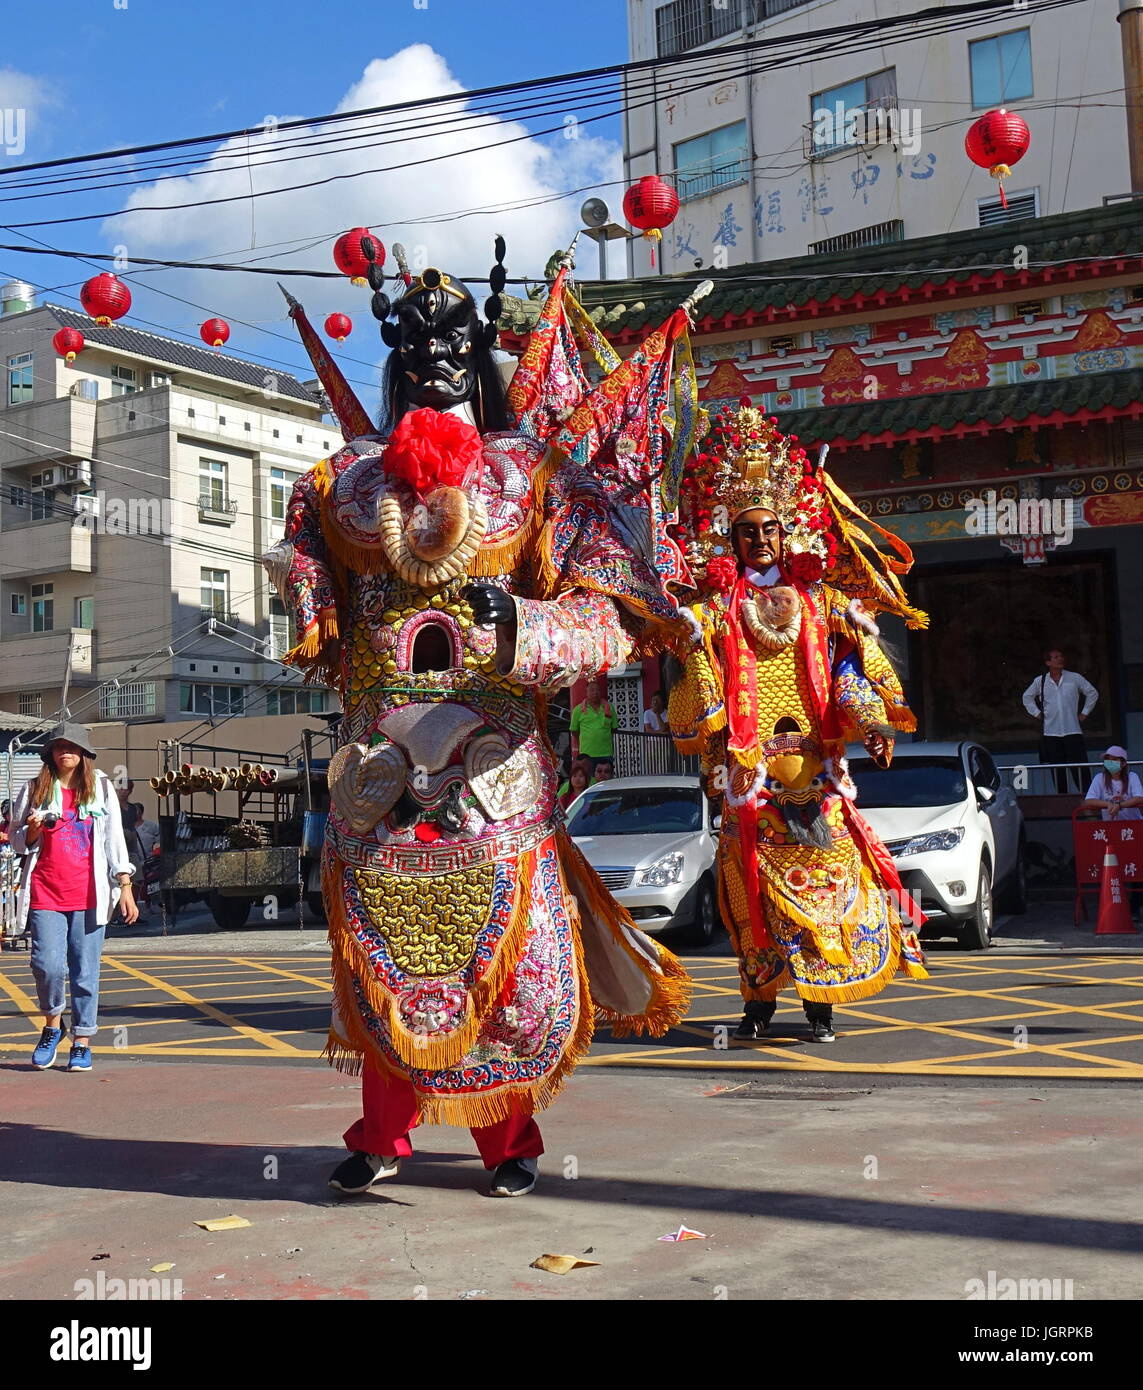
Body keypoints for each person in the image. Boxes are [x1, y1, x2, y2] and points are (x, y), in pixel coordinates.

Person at [267, 253, 691, 1199]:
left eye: (455, 340)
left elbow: (604, 621)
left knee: (504, 968)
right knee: (383, 965)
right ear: (393, 357)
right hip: (379, 779)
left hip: (494, 772)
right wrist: (305, 596)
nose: (434, 356)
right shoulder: (339, 481)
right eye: (413, 342)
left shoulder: (534, 476)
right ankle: (382, 1135)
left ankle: (510, 1142)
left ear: (485, 352)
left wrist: (522, 628)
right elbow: (307, 577)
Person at [668, 403, 929, 1044]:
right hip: (750, 775)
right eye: (748, 531)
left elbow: (849, 672)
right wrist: (680, 634)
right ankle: (758, 1005)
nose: (760, 540)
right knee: (750, 895)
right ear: (730, 541)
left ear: (788, 535)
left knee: (828, 884)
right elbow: (690, 669)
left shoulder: (820, 601)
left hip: (815, 771)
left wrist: (870, 723)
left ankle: (820, 1005)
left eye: (770, 529)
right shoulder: (713, 611)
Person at [9, 723, 138, 1073]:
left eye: (73, 746)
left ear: (83, 753)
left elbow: (114, 840)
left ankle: (82, 1041)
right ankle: (53, 1025)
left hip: (90, 894)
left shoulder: (100, 788)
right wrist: (34, 828)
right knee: (47, 966)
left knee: (85, 972)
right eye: (59, 746)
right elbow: (18, 842)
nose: (66, 751)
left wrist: (125, 886)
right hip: (45, 893)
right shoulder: (34, 789)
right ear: (50, 753)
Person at [1022, 649, 1098, 794]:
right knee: (1057, 770)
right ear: (1048, 662)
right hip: (1051, 733)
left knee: (1080, 769)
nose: (1060, 659)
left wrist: (1084, 713)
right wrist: (1037, 713)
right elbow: (1027, 697)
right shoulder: (1041, 681)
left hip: (1073, 730)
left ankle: (1088, 800)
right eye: (1056, 657)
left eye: (1061, 656)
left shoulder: (1074, 678)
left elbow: (1092, 693)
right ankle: (1062, 800)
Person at [114, 780, 160, 924]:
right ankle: (117, 915)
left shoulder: (132, 808)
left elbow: (134, 827)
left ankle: (131, 911)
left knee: (138, 879)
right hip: (117, 848)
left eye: (127, 789)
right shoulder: (113, 806)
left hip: (132, 848)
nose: (124, 791)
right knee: (117, 882)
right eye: (121, 788)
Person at [570, 678, 618, 775]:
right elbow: (574, 731)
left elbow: (614, 728)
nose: (595, 692)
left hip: (606, 754)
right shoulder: (578, 710)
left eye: (597, 690)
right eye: (592, 690)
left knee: (605, 782)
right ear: (586, 692)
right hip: (587, 755)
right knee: (588, 781)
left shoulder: (609, 707)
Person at [1082, 746, 1143, 821]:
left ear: (1123, 763)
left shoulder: (1132, 776)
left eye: (1114, 760)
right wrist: (1108, 804)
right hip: (1110, 826)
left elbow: (1139, 798)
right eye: (1107, 759)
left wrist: (1119, 805)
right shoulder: (1100, 777)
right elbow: (1089, 800)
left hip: (1133, 824)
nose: (1110, 762)